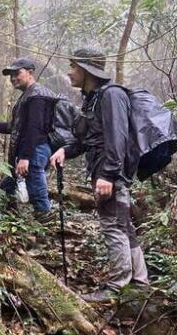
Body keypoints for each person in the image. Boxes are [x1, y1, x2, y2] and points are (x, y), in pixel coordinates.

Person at [49, 48, 149, 302]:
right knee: (122, 225)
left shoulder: (111, 95)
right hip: (105, 171)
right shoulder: (93, 99)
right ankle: (139, 282)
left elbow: (118, 137)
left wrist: (109, 175)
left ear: (86, 70)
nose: (70, 72)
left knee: (113, 225)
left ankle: (116, 287)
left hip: (110, 173)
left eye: (73, 67)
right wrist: (65, 150)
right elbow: (88, 139)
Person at [0, 57, 58, 219]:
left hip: (35, 149)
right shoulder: (28, 95)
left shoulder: (37, 96)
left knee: (36, 188)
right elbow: (16, 127)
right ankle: (8, 215)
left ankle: (45, 219)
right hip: (31, 149)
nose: (13, 78)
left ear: (30, 73)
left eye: (17, 73)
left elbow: (34, 129)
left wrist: (25, 157)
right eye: (11, 75)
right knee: (7, 185)